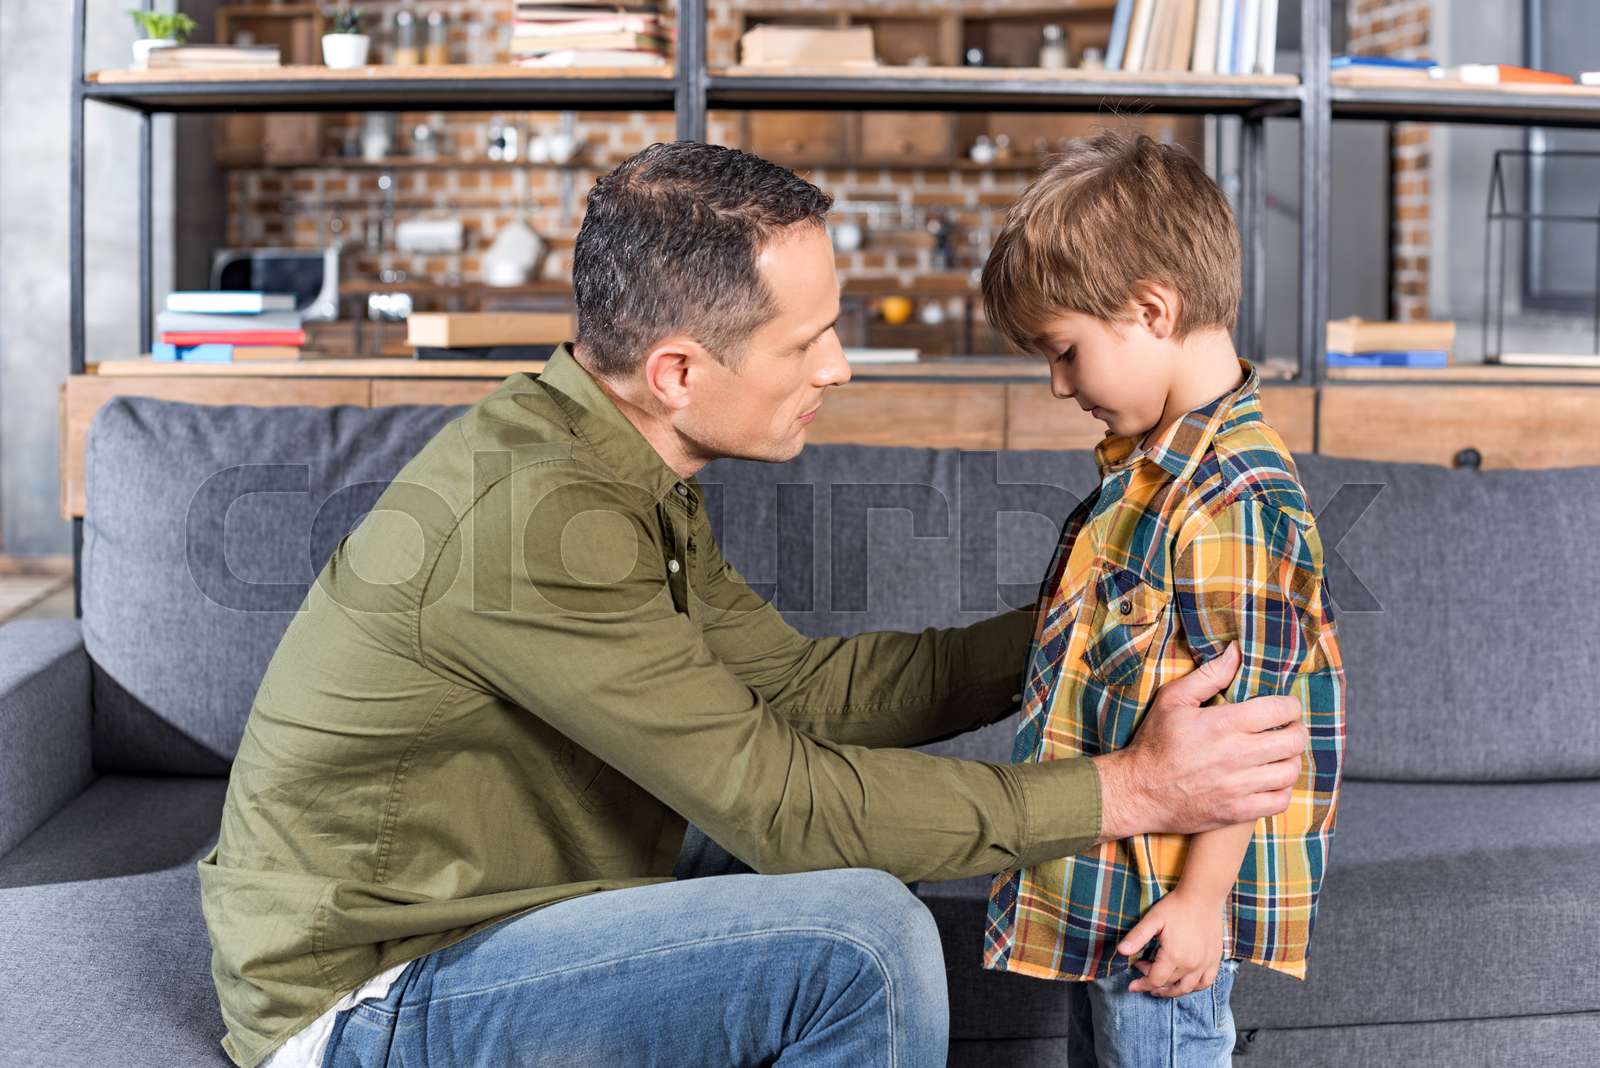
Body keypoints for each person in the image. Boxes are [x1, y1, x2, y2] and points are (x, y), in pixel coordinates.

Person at [197, 140, 1310, 1068]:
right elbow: (785, 800)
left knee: (838, 852)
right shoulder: (533, 521)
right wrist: (1124, 790)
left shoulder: (604, 457)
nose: (840, 368)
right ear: (679, 370)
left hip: (507, 898)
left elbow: (795, 694)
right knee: (860, 938)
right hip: (370, 999)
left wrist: (1077, 638)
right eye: (807, 340)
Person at [978, 130, 1347, 1067]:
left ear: (1151, 308)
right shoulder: (1149, 475)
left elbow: (1254, 732)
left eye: (1065, 353)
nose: (1059, 385)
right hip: (1108, 885)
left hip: (1165, 903)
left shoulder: (1233, 496)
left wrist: (1199, 902)